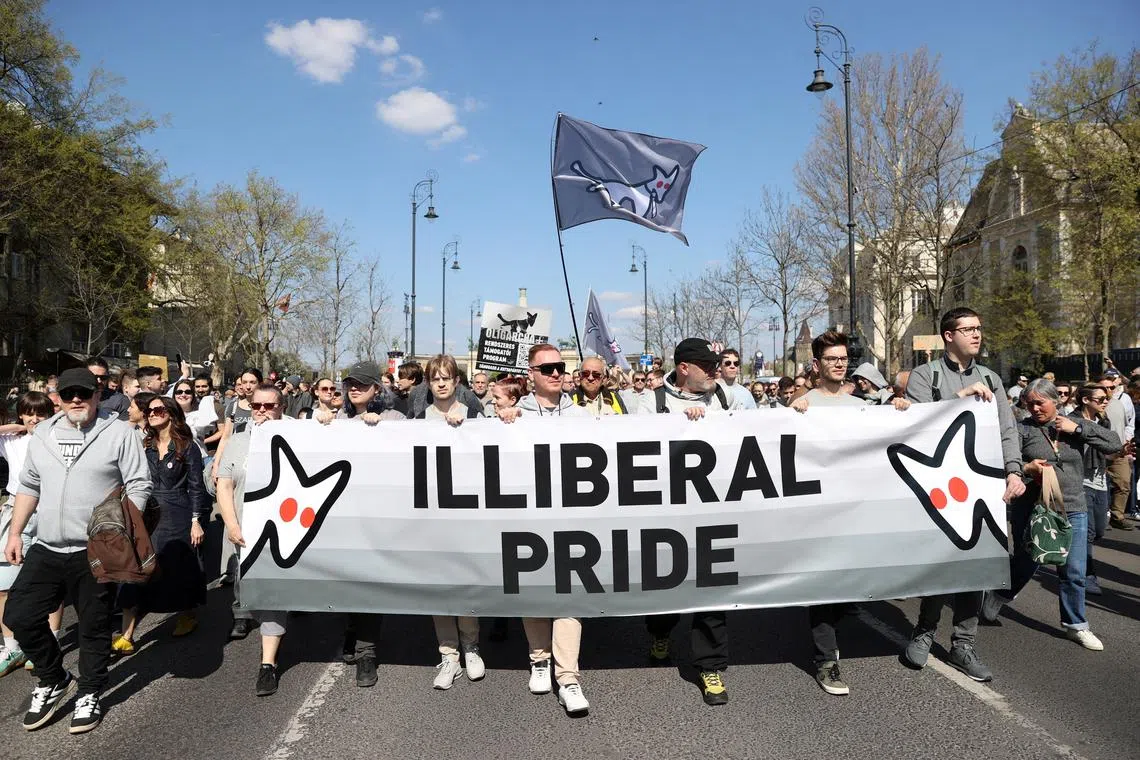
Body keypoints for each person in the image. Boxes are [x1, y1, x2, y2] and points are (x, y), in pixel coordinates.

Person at [637, 338, 786, 707]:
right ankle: (660, 633)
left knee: (711, 591)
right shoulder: (652, 402)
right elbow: (635, 448)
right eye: (707, 365)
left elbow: (759, 429)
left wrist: (795, 409)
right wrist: (677, 427)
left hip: (713, 513)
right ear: (684, 368)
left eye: (716, 364)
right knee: (667, 589)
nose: (715, 371)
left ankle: (710, 666)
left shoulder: (725, 397)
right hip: (666, 515)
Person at [4, 368, 151, 733]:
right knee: (19, 615)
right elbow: (30, 485)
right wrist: (16, 533)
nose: (75, 400)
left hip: (95, 550)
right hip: (47, 545)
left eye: (82, 393)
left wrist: (121, 533)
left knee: (94, 626)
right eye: (68, 393)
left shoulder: (119, 432)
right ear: (58, 396)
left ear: (97, 394)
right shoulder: (43, 433)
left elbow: (138, 485)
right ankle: (53, 678)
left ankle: (90, 691)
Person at [903, 307, 1024, 683]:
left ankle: (963, 643)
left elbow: (1007, 427)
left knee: (978, 565)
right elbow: (917, 424)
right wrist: (960, 397)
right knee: (942, 563)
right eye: (968, 329)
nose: (977, 335)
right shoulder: (925, 375)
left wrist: (1014, 470)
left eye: (979, 328)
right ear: (948, 336)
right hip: (939, 488)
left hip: (982, 485)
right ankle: (924, 628)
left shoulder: (991, 377)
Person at [799, 331, 907, 696]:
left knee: (844, 587)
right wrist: (791, 416)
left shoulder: (860, 406)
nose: (839, 363)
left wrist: (901, 413)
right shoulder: (803, 405)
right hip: (817, 514)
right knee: (823, 587)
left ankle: (838, 622)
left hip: (853, 514)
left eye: (843, 357)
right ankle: (826, 661)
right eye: (831, 358)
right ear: (817, 365)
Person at [980, 379, 1126, 651]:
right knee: (1027, 561)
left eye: (1040, 402)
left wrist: (1079, 428)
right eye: (1029, 403)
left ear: (1055, 401)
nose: (1034, 408)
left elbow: (1114, 443)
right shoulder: (1022, 430)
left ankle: (1076, 625)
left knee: (1074, 570)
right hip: (1034, 506)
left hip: (1073, 507)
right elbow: (1002, 463)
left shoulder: (1071, 425)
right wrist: (1027, 468)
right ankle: (1001, 594)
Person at [495, 344, 591, 715]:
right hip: (529, 519)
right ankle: (539, 659)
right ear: (531, 374)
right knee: (534, 589)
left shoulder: (582, 416)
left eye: (560, 367)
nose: (555, 373)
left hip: (572, 520)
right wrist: (501, 420)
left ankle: (568, 678)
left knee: (569, 594)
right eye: (546, 368)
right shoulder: (514, 417)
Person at [114, 396, 210, 653]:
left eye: (158, 409)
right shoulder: (144, 445)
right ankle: (127, 633)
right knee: (136, 568)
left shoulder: (186, 446)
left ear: (171, 413)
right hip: (147, 512)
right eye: (149, 410)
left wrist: (196, 521)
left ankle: (187, 613)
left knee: (178, 566)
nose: (153, 413)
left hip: (178, 512)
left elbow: (196, 487)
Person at [215, 383, 293, 696]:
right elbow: (224, 485)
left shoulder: (298, 436)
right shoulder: (237, 440)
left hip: (282, 532)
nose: (261, 411)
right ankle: (243, 614)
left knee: (274, 595)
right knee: (245, 587)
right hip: (244, 530)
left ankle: (268, 664)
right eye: (256, 405)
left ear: (281, 407)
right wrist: (231, 525)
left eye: (269, 406)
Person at [0, 392, 64, 677]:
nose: (35, 419)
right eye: (29, 413)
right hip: (17, 510)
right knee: (3, 583)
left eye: (41, 414)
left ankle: (52, 640)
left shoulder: (58, 439)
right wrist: (19, 427)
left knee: (52, 580)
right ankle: (12, 646)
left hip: (51, 509)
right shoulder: (12, 441)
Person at [1070, 383, 1112, 596]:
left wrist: (1120, 452)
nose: (1106, 401)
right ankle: (1087, 576)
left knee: (1101, 530)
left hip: (1100, 479)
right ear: (1086, 400)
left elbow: (1109, 448)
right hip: (1081, 481)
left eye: (1107, 397)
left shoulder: (1104, 421)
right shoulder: (1072, 421)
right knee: (1088, 532)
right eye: (1101, 398)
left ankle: (1071, 557)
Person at [1100, 370, 1135, 531]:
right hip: (1099, 451)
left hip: (1119, 450)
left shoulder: (1121, 403)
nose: (1108, 391)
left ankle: (1117, 516)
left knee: (1124, 483)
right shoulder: (1095, 404)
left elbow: (1129, 423)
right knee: (1100, 487)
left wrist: (1127, 440)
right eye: (1104, 387)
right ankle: (1101, 517)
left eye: (1111, 388)